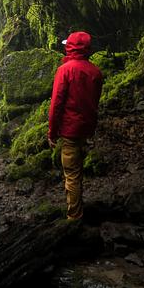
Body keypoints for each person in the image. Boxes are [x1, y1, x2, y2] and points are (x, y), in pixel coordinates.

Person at [47, 30, 103, 220]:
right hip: (86, 129)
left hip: (70, 130)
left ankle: (74, 217)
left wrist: (52, 132)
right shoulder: (95, 72)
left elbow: (56, 104)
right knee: (77, 172)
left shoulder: (65, 70)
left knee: (71, 175)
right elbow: (94, 102)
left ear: (70, 48)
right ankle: (79, 208)